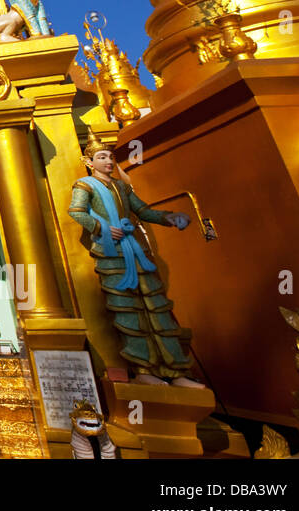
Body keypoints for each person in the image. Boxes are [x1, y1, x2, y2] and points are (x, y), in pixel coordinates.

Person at [68, 136, 204, 388]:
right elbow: (76, 211)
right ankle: (142, 368)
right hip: (111, 252)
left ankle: (176, 371)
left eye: (110, 157)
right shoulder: (85, 185)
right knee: (127, 308)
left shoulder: (122, 187)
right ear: (88, 162)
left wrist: (169, 217)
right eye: (101, 157)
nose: (108, 161)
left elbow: (143, 211)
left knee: (156, 306)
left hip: (135, 250)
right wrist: (103, 228)